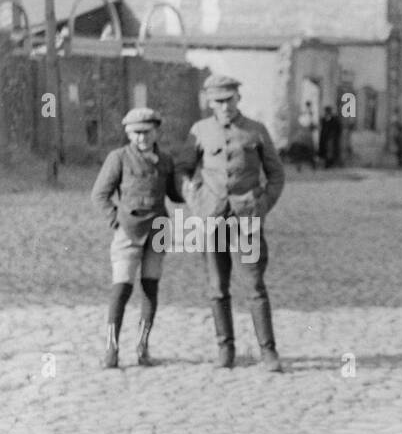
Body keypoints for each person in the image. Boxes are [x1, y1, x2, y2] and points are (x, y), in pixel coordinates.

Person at [177, 74, 287, 371]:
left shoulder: (256, 131)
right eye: (218, 101)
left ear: (239, 98)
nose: (225, 106)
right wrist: (197, 203)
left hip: (246, 222)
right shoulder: (199, 131)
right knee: (217, 287)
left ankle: (268, 352)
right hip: (212, 221)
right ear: (210, 103)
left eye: (229, 100)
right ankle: (225, 349)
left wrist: (262, 205)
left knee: (254, 285)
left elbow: (276, 174)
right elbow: (184, 171)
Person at [91, 107, 183, 369]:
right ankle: (111, 349)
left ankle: (143, 347)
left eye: (147, 132)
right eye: (136, 133)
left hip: (158, 231)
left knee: (150, 289)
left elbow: (175, 195)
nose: (142, 138)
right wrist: (116, 221)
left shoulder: (165, 160)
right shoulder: (118, 158)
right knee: (121, 289)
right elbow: (100, 194)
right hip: (128, 232)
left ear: (156, 131)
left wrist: (190, 184)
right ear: (128, 134)